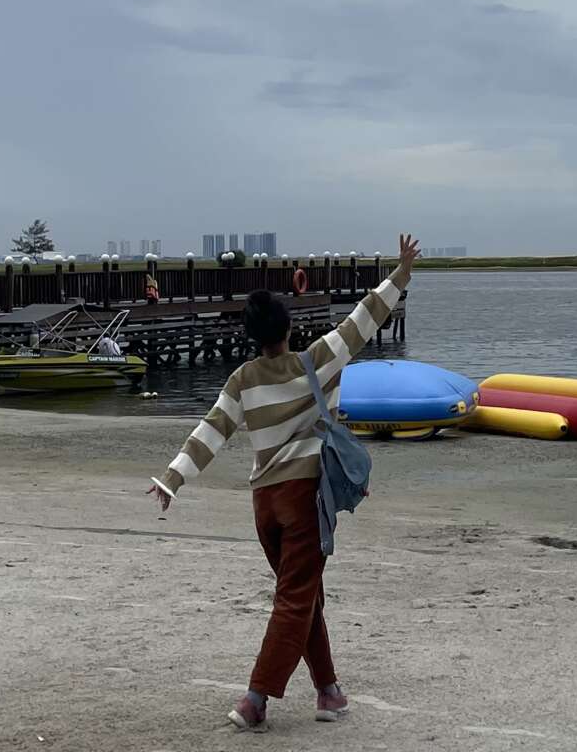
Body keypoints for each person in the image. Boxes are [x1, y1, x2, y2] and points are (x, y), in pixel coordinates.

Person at [148, 233, 417, 732]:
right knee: (295, 600)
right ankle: (255, 699)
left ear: (253, 335)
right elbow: (365, 318)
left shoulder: (242, 380)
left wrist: (173, 478)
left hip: (264, 506)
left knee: (303, 594)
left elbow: (210, 431)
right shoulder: (316, 361)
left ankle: (329, 692)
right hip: (304, 500)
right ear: (288, 326)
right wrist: (400, 273)